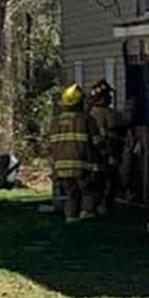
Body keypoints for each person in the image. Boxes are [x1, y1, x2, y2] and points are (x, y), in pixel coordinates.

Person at [48, 84, 99, 222]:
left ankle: (71, 217)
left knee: (70, 193)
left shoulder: (55, 122)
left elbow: (51, 146)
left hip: (61, 166)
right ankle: (87, 214)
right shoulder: (87, 120)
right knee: (87, 190)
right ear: (79, 102)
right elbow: (97, 144)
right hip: (82, 164)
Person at [86, 80, 128, 217]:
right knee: (110, 182)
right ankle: (103, 208)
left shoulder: (90, 113)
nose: (110, 98)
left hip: (93, 155)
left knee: (96, 184)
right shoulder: (107, 114)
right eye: (108, 96)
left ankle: (92, 209)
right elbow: (121, 124)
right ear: (103, 98)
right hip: (106, 154)